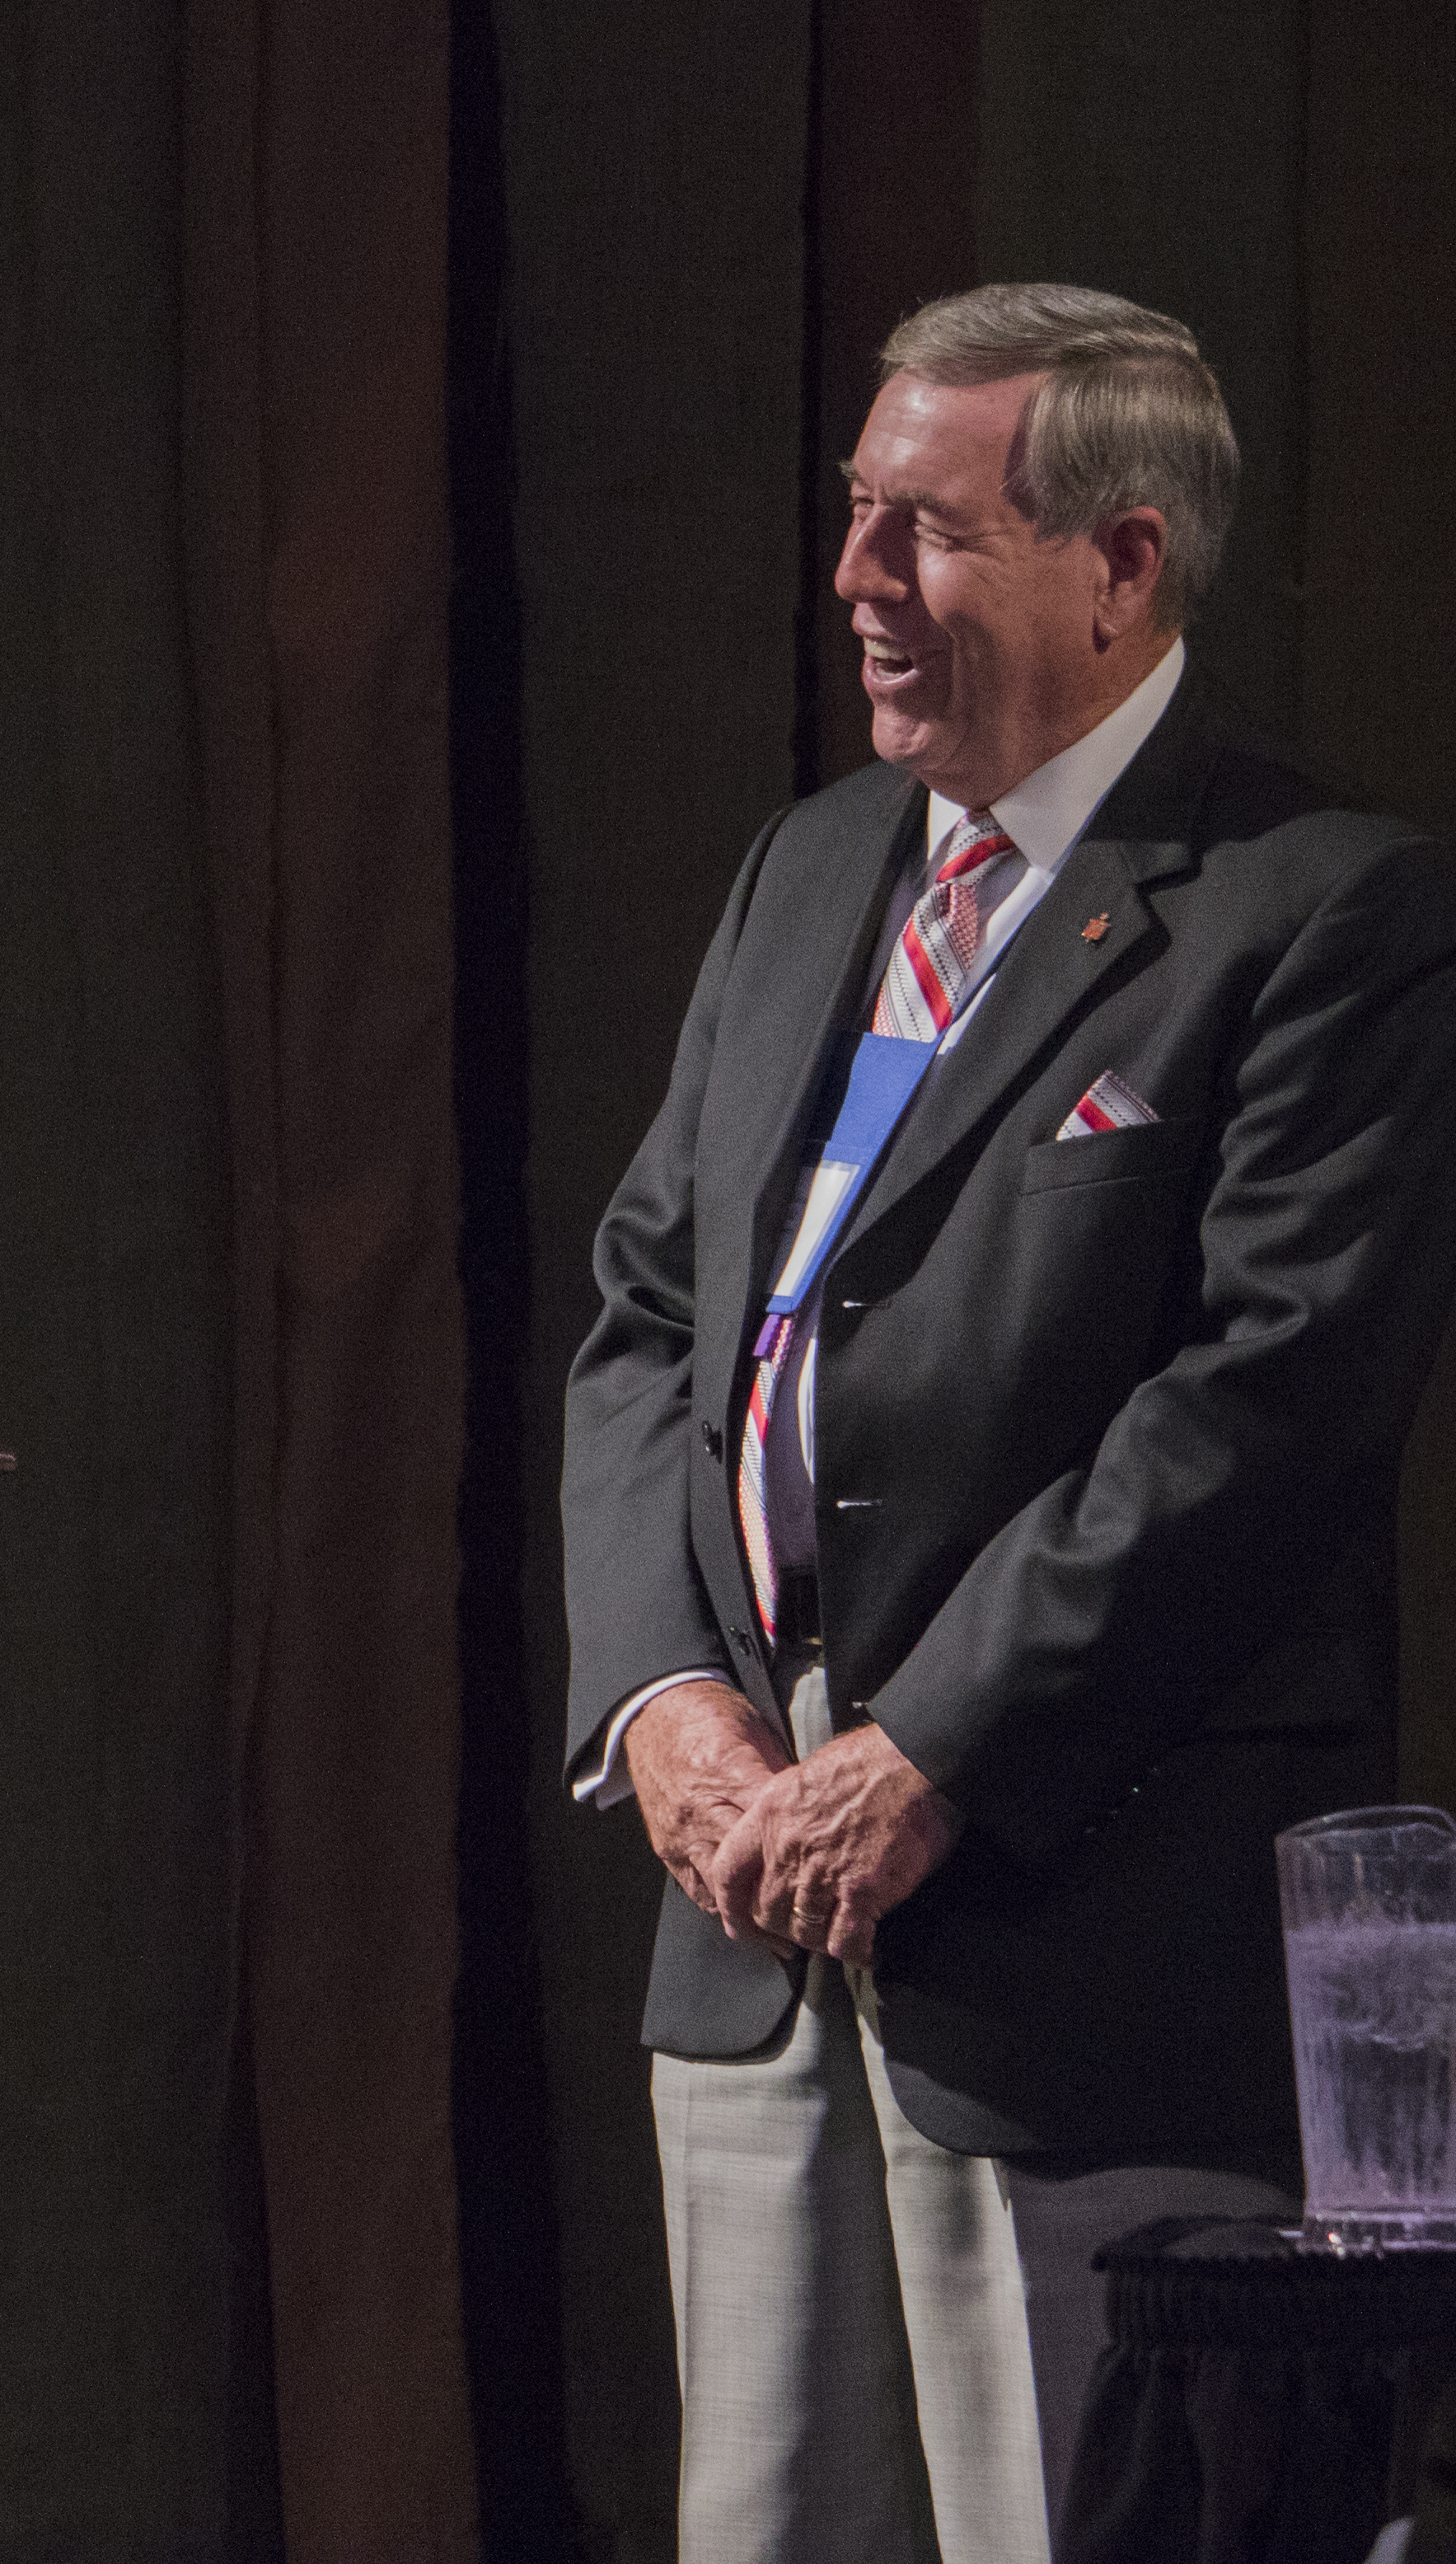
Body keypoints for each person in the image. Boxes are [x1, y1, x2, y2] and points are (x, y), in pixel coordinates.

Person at [564, 282, 1456, 2560]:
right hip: (757, 1901)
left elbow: (1264, 1409)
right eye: (857, 513)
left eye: (927, 528)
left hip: (1069, 1911)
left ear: (1122, 560)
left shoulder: (1318, 908)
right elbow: (650, 1320)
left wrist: (933, 1748)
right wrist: (670, 1706)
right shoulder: (803, 877)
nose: (859, 577)